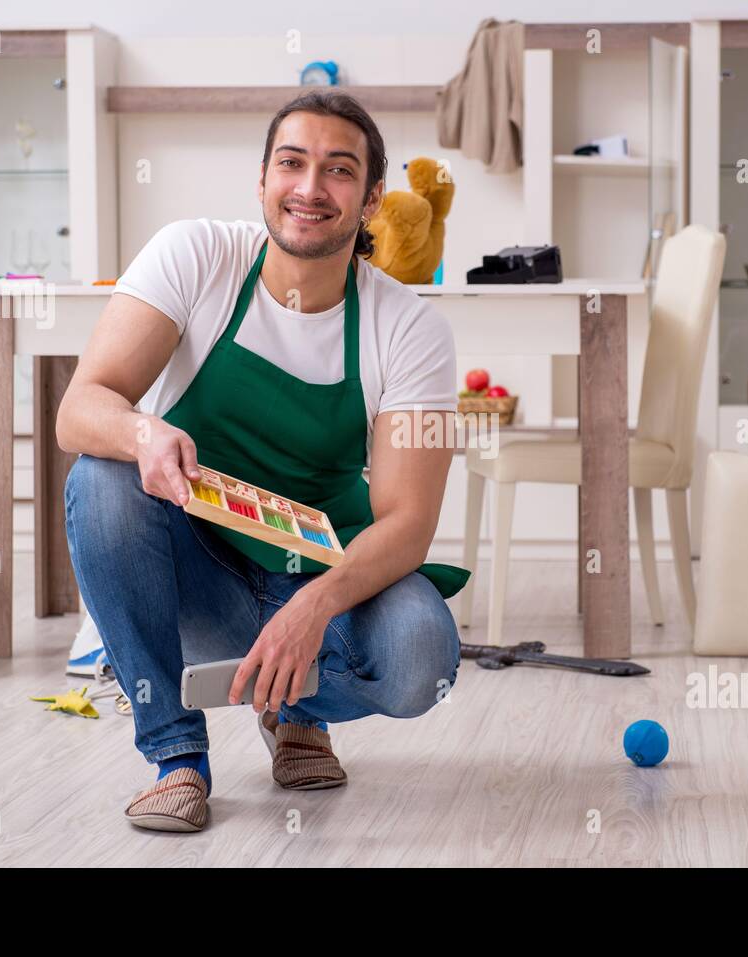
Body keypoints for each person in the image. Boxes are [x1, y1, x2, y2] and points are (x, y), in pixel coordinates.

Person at [57, 90, 469, 832]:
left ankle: (294, 710)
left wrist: (314, 608)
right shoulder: (197, 256)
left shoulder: (409, 329)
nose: (311, 189)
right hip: (199, 573)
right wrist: (144, 433)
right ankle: (176, 754)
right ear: (262, 179)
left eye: (339, 171)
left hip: (321, 577)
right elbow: (80, 408)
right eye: (293, 163)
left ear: (372, 198)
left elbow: (409, 524)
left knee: (422, 653)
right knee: (102, 475)